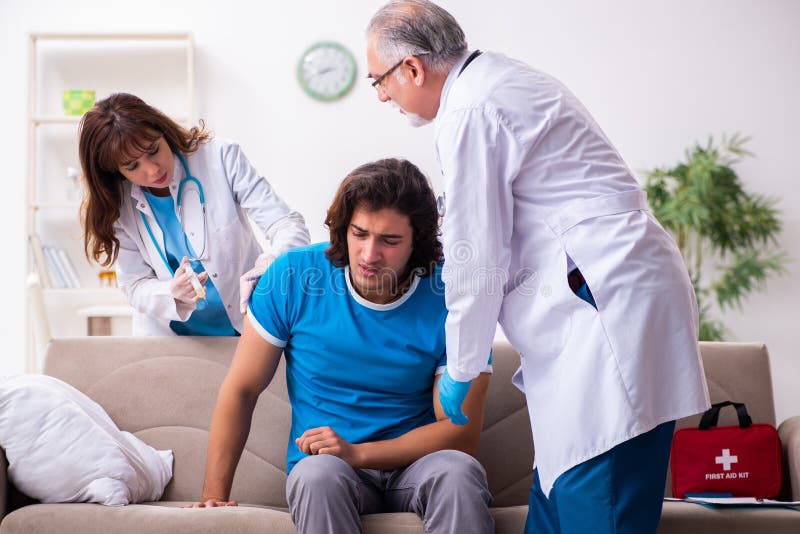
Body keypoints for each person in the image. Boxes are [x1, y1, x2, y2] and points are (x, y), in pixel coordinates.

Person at [366, 2, 711, 533]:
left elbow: (476, 255)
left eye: (379, 81)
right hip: (596, 314)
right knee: (557, 503)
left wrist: (462, 368)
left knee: (598, 505)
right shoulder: (496, 83)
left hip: (604, 317)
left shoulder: (471, 111)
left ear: (411, 68)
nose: (382, 96)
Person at [190, 158, 494, 534]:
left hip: (418, 464)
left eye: (390, 240)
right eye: (359, 234)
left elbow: (459, 432)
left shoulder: (454, 297)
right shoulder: (293, 276)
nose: (369, 255)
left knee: (459, 472)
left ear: (418, 241)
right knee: (315, 477)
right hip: (329, 467)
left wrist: (360, 452)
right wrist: (213, 498)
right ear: (342, 229)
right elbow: (242, 389)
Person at [79, 93, 309, 336]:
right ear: (114, 171)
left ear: (162, 131)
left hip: (248, 325)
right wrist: (171, 292)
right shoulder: (118, 205)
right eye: (132, 166)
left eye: (153, 150)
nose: (152, 169)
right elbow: (134, 285)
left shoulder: (219, 157)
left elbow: (286, 224)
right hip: (172, 338)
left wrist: (270, 264)